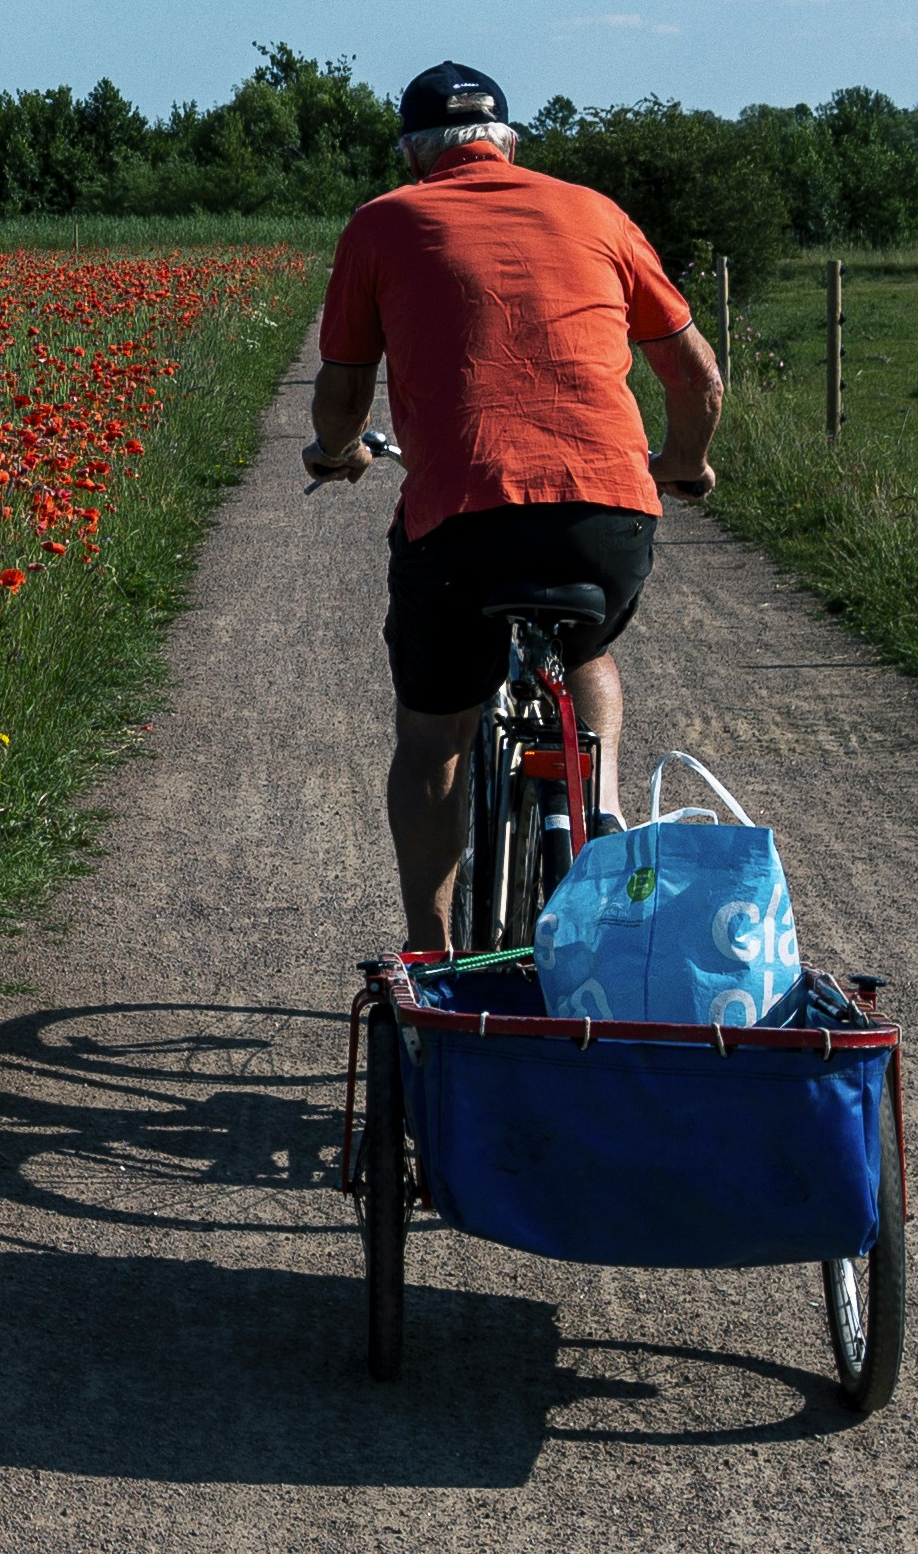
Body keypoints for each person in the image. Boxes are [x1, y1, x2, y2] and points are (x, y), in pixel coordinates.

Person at [302, 61, 722, 953]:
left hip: (463, 522)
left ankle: (429, 941)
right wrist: (683, 463)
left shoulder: (383, 222)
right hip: (608, 513)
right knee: (589, 645)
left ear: (414, 153)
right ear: (510, 143)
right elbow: (695, 375)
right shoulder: (595, 212)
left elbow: (342, 395)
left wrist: (338, 455)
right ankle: (595, 805)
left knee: (433, 731)